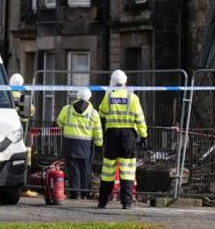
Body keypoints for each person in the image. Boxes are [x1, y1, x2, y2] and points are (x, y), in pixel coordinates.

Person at [97, 70, 147, 209]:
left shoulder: (108, 97)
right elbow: (140, 119)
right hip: (128, 137)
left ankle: (102, 202)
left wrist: (103, 135)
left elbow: (102, 115)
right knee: (128, 171)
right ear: (126, 82)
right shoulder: (133, 98)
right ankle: (126, 203)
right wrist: (143, 135)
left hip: (112, 136)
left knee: (108, 171)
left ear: (112, 82)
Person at [56, 87, 103, 200]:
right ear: (89, 97)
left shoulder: (67, 109)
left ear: (77, 96)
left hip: (70, 143)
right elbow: (98, 130)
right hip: (86, 145)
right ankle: (85, 194)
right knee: (86, 169)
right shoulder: (93, 113)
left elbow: (59, 122)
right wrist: (99, 144)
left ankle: (75, 194)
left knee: (73, 169)